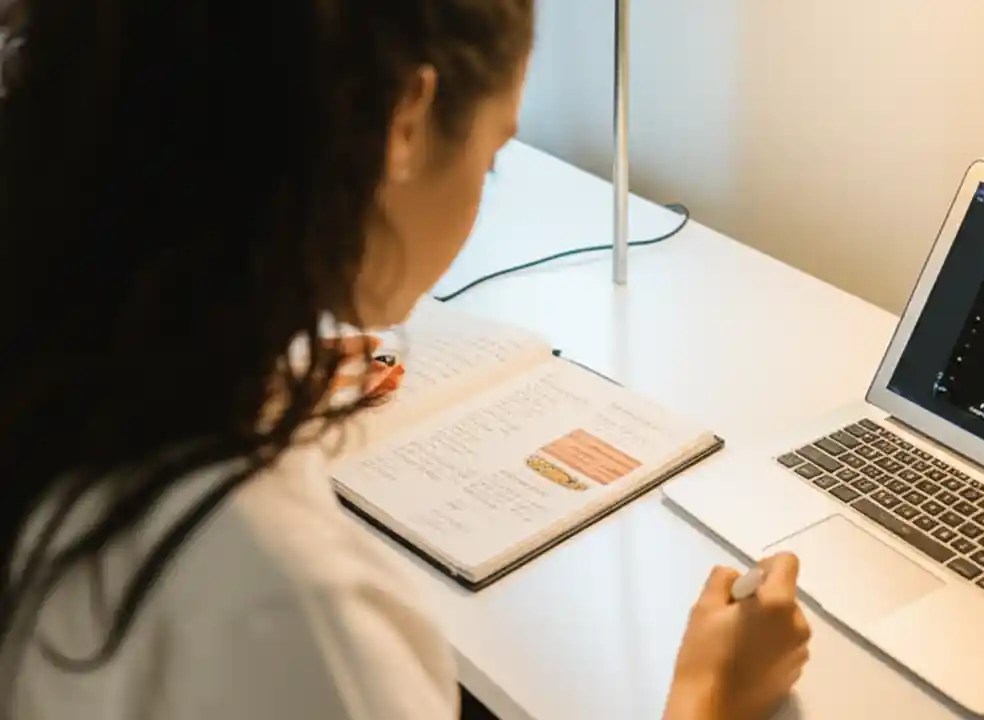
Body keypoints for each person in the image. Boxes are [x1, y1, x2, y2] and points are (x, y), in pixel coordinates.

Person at [0, 2, 811, 718]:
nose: (486, 183)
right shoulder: (291, 611)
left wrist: (255, 377)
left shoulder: (65, 353)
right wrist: (709, 697)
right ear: (407, 123)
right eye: (493, 155)